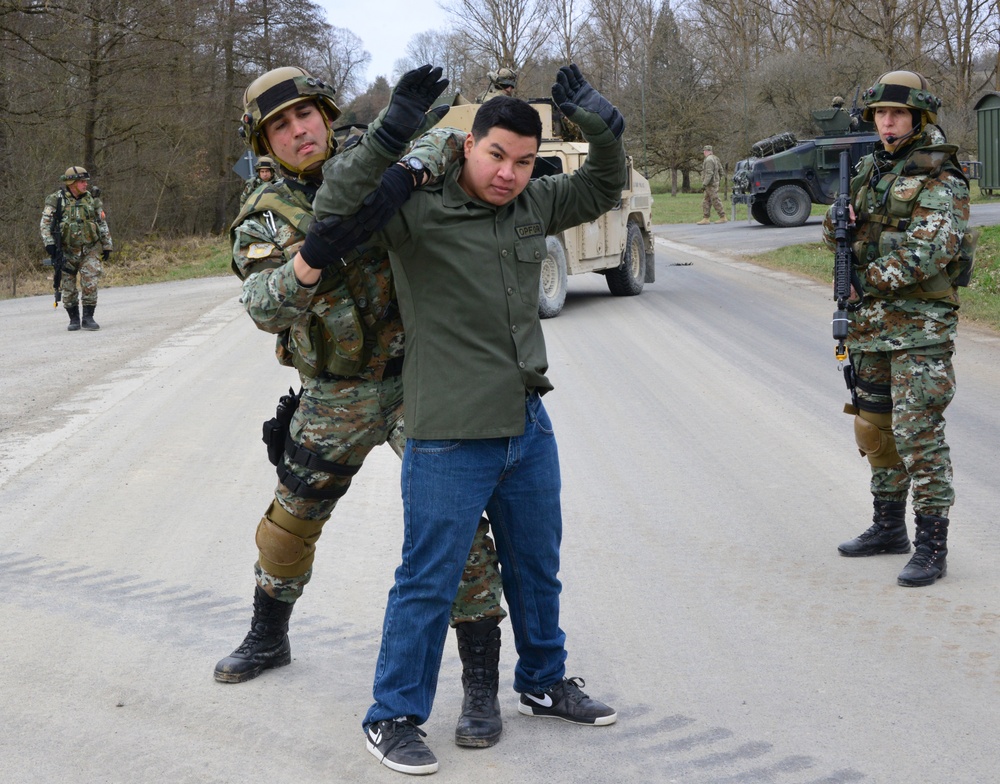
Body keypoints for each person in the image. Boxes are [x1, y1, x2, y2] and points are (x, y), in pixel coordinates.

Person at [307, 64, 624, 775]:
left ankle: (542, 681)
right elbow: (334, 202)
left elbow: (604, 187)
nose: (509, 174)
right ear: (468, 145)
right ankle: (392, 715)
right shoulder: (415, 209)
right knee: (429, 579)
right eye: (496, 155)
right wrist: (392, 130)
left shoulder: (532, 205)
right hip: (448, 437)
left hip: (527, 427)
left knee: (537, 566)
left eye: (523, 161)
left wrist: (601, 126)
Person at [216, 66, 509, 749]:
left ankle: (481, 687)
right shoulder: (264, 214)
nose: (298, 131)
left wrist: (404, 166)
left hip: (417, 382)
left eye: (305, 115)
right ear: (264, 141)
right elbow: (263, 307)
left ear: (325, 114)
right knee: (290, 524)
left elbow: (452, 142)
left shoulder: (371, 157)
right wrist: (312, 258)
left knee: (456, 528)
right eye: (280, 126)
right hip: (334, 391)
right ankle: (267, 636)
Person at [822, 70, 970, 587]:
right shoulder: (867, 170)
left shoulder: (941, 176)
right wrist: (836, 222)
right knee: (874, 429)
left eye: (898, 113)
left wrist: (865, 279)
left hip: (920, 327)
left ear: (918, 118)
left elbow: (931, 250)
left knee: (917, 435)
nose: (887, 122)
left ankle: (932, 545)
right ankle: (888, 528)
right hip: (870, 325)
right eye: (881, 113)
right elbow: (841, 236)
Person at [40, 166, 113, 330]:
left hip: (89, 249)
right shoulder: (56, 200)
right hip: (66, 251)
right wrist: (49, 244)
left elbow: (101, 223)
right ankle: (74, 319)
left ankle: (88, 318)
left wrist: (107, 245)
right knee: (68, 287)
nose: (85, 184)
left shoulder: (92, 199)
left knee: (90, 282)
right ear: (72, 183)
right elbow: (45, 224)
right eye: (82, 181)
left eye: (85, 181)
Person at [696, 145, 727, 225]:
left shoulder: (708, 160)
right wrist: (718, 180)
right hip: (714, 182)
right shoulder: (715, 158)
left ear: (706, 151)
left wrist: (704, 184)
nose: (704, 152)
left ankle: (722, 216)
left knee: (715, 200)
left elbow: (709, 173)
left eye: (704, 151)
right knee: (706, 200)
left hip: (710, 184)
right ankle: (706, 218)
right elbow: (721, 171)